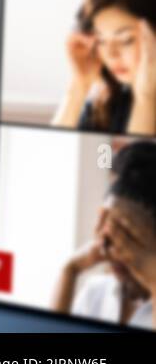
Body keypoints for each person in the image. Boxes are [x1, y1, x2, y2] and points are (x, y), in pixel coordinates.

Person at [52, 140, 156, 330]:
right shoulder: (96, 293)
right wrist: (69, 270)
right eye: (108, 233)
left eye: (127, 238)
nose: (111, 250)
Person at [51, 0, 156, 137]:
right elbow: (102, 161)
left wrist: (146, 100)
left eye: (126, 40)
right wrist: (79, 84)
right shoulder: (108, 105)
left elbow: (138, 162)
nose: (111, 55)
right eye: (101, 41)